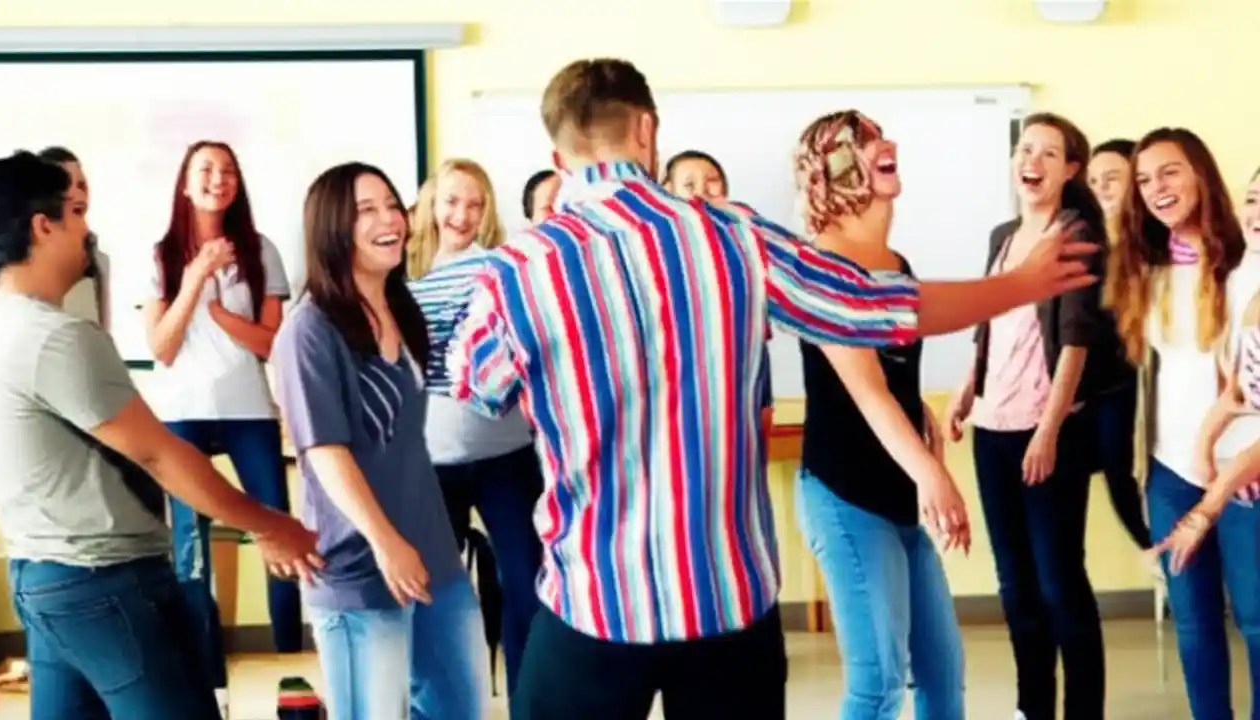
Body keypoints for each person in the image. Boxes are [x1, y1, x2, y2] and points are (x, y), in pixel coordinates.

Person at [443, 57, 1098, 720]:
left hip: (595, 601)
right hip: (726, 600)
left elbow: (474, 387)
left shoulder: (517, 271)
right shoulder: (734, 236)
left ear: (558, 156)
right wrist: (1019, 285)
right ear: (648, 129)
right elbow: (877, 307)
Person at [0, 150, 320, 720]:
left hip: (42, 577)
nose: (87, 231)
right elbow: (161, 456)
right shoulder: (56, 336)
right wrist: (272, 525)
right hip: (104, 582)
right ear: (43, 226)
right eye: (76, 213)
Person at [271, 161, 487, 720]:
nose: (390, 219)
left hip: (433, 553)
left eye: (393, 205)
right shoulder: (309, 328)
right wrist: (385, 541)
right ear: (331, 227)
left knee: (459, 708)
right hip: (359, 564)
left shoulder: (402, 306)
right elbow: (323, 451)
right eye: (367, 210)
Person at [790, 111, 968, 720]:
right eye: (860, 144)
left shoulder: (894, 260)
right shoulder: (828, 264)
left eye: (880, 135)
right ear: (833, 170)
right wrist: (933, 476)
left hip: (896, 497)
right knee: (878, 686)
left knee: (943, 682)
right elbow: (864, 392)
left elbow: (889, 370)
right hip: (846, 498)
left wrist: (922, 425)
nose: (883, 145)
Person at [945, 113, 1117, 720]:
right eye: (1025, 148)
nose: (1033, 161)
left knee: (1059, 583)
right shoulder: (1004, 235)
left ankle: (1084, 711)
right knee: (1015, 585)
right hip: (994, 428)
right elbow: (994, 321)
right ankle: (1032, 707)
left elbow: (1075, 341)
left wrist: (1047, 430)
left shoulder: (1076, 237)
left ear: (1071, 169)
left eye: (1049, 152)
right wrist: (969, 387)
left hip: (1049, 434)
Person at [141, 140, 302, 712]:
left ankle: (291, 668)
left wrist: (220, 314)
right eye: (206, 170)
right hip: (182, 411)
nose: (218, 179)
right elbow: (161, 348)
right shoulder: (162, 253)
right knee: (191, 548)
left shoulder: (263, 250)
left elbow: (272, 344)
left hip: (250, 412)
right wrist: (197, 277)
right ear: (185, 183)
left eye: (228, 170)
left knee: (276, 532)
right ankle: (205, 677)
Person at [1107, 128, 1255, 720]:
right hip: (1170, 471)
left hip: (1244, 471)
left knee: (1256, 617)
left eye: (1168, 172)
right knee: (1193, 622)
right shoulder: (1151, 270)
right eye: (1144, 180)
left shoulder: (1249, 264)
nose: (1155, 188)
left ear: (1200, 174)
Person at [407, 157, 541, 699]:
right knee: (439, 591)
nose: (462, 214)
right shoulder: (403, 274)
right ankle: (450, 699)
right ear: (431, 205)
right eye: (452, 201)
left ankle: (531, 698)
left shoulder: (499, 266)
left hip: (505, 453)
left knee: (526, 581)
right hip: (430, 458)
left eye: (475, 203)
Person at [663, 149, 776, 446]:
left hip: (745, 383)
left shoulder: (747, 240)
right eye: (689, 184)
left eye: (712, 181)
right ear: (667, 192)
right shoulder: (661, 255)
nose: (701, 191)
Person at [1084, 139, 1154, 554]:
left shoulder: (1156, 249)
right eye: (1093, 181)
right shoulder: (1084, 245)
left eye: (1112, 179)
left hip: (1138, 386)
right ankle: (1160, 554)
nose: (1101, 189)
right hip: (1093, 388)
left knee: (1126, 472)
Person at [37, 147, 111, 331]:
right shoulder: (25, 255)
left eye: (81, 185)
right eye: (66, 185)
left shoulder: (98, 258)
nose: (78, 194)